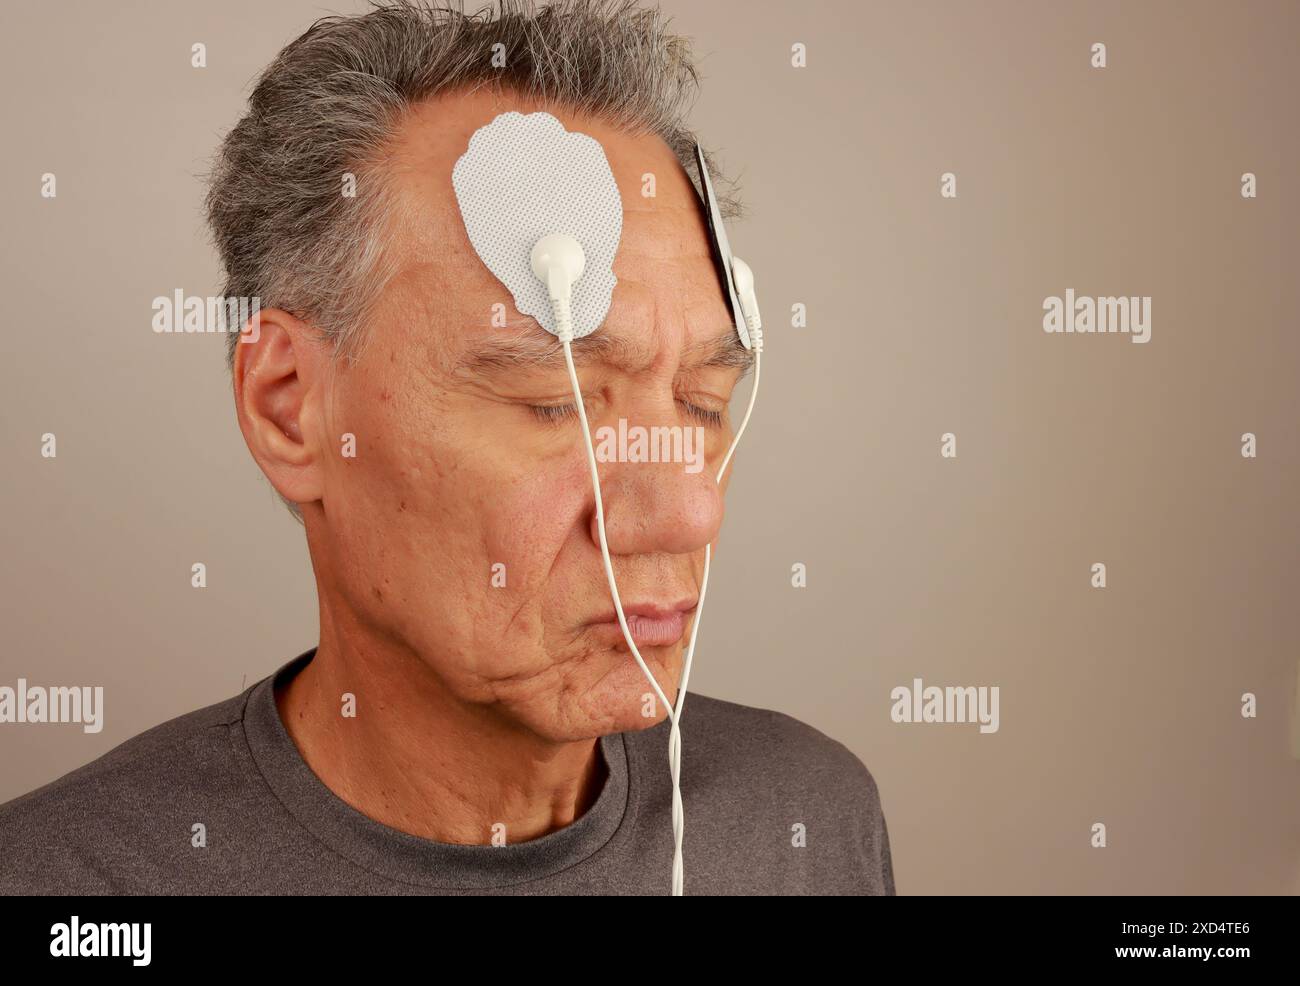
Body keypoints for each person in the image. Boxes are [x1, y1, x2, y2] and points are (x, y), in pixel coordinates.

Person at [0, 0, 894, 895]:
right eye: (559, 402)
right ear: (288, 408)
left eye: (703, 403)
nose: (691, 510)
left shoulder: (804, 822)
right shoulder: (68, 885)